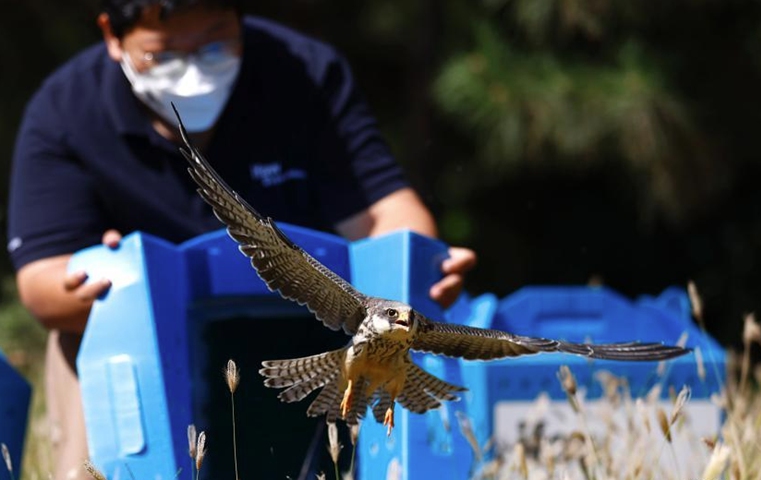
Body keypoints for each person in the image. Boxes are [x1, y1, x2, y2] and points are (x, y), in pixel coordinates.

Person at [5, 1, 477, 479]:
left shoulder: (305, 73)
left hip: (306, 328)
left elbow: (385, 216)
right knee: (87, 335)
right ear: (112, 35)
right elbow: (43, 279)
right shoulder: (64, 109)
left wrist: (417, 263)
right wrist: (102, 275)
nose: (194, 72)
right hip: (142, 341)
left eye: (215, 43)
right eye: (164, 54)